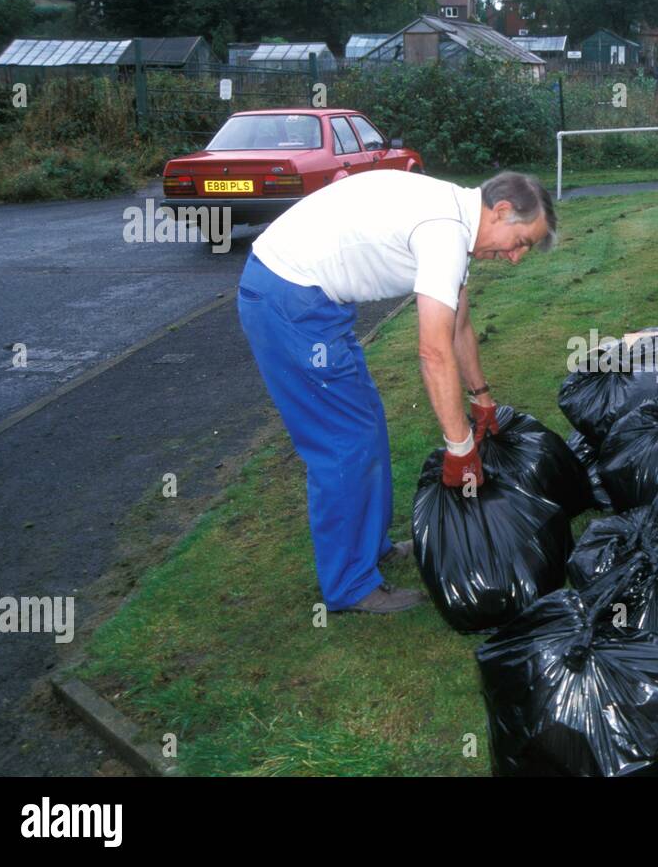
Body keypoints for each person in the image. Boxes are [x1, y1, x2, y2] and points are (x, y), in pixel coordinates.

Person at [236, 169, 556, 614]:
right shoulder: (444, 232)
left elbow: (458, 319)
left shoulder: (456, 220)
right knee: (343, 442)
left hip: (314, 299)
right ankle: (350, 585)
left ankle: (372, 546)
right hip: (288, 299)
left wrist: (481, 396)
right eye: (521, 242)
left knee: (363, 423)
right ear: (501, 211)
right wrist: (460, 449)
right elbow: (433, 351)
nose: (516, 257)